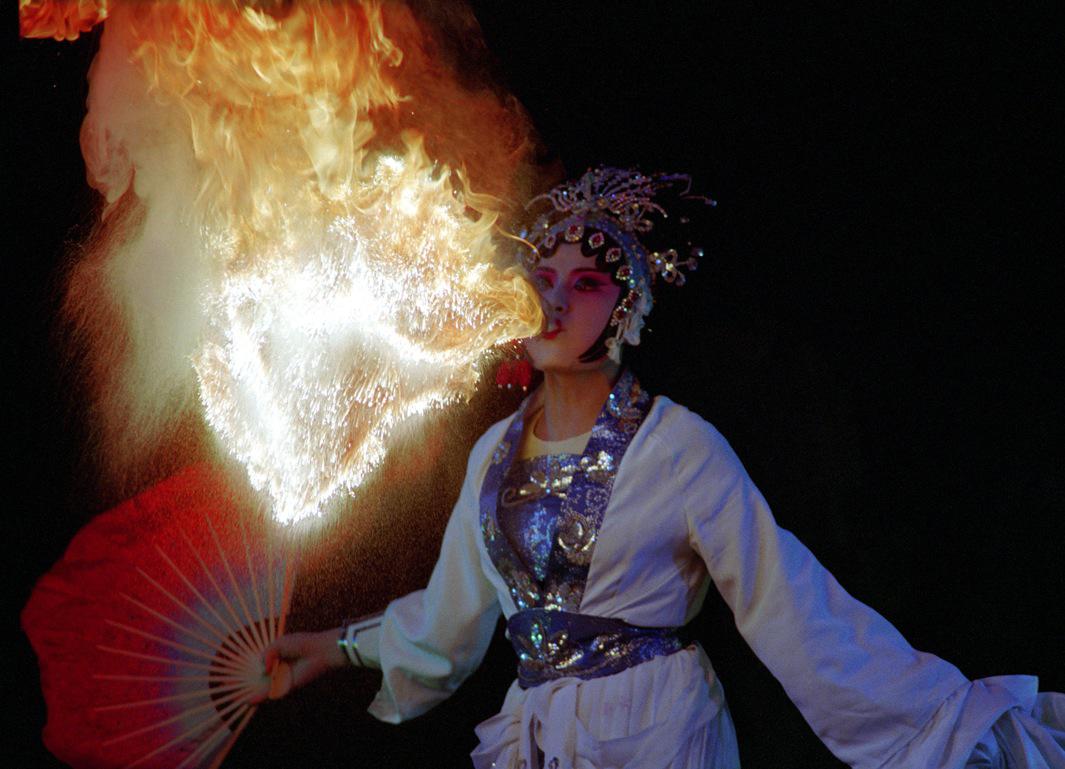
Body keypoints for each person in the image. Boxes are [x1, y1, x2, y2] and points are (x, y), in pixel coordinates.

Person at [263, 167, 1065, 768]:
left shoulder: (678, 447)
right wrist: (334, 646)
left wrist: (955, 724)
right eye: (542, 279)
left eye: (583, 285)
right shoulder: (492, 453)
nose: (553, 300)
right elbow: (448, 619)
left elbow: (784, 602)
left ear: (623, 310)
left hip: (651, 732)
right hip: (538, 735)